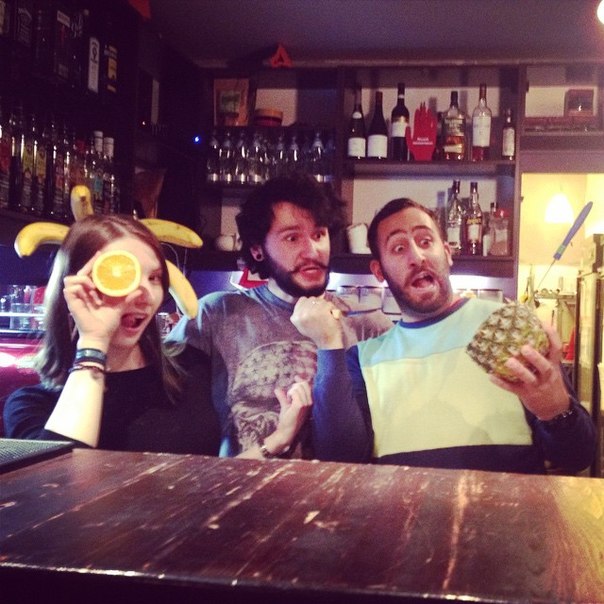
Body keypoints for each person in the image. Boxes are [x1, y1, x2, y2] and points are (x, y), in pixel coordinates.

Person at [291, 198, 597, 474]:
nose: (417, 256)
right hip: (401, 518)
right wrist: (328, 344)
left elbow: (578, 457)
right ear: (379, 271)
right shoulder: (363, 359)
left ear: (447, 253)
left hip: (507, 517)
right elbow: (340, 461)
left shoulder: (509, 329)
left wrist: (555, 409)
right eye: (399, 248)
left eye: (426, 241)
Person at [4, 214, 311, 459]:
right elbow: (61, 484)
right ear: (76, 289)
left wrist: (277, 440)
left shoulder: (190, 367)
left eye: (153, 277)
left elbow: (204, 483)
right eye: (121, 276)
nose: (145, 293)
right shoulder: (33, 405)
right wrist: (93, 343)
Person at [166, 174, 393, 458]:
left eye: (319, 235)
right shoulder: (216, 315)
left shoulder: (368, 325)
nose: (312, 251)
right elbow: (160, 408)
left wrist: (329, 341)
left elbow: (358, 454)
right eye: (292, 238)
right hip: (236, 484)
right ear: (257, 250)